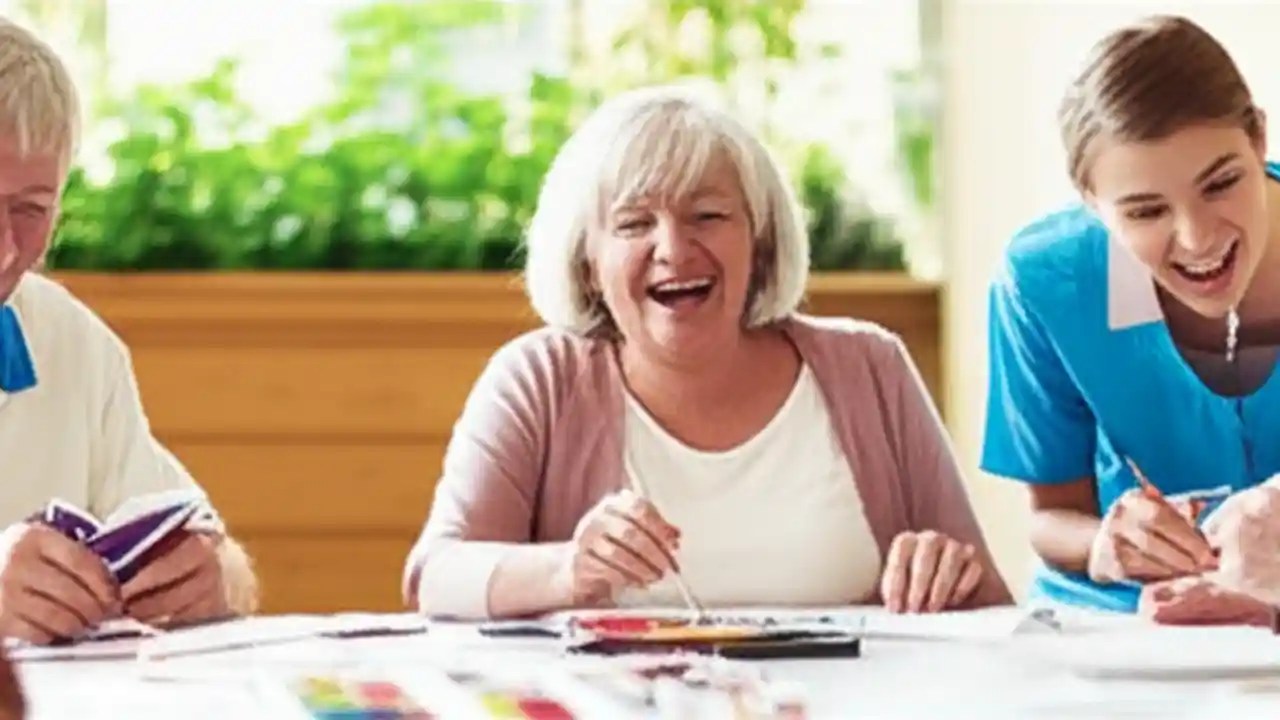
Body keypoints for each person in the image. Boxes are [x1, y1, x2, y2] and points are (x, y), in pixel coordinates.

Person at [404, 85, 1011, 619]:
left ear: (761, 237)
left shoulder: (870, 367)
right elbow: (436, 577)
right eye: (635, 223)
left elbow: (984, 598)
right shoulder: (538, 378)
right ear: (589, 261)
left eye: (708, 215)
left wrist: (946, 574)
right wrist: (568, 569)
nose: (674, 248)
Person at [982, 14, 1280, 612]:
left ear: (1259, 139)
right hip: (1126, 629)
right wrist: (1105, 543)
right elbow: (1050, 517)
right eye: (1146, 212)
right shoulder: (1046, 281)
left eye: (1221, 183)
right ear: (1092, 202)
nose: (1196, 238)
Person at [0, 18, 257, 644]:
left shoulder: (75, 347)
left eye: (30, 210)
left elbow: (222, 561)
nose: (5, 250)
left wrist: (214, 580)